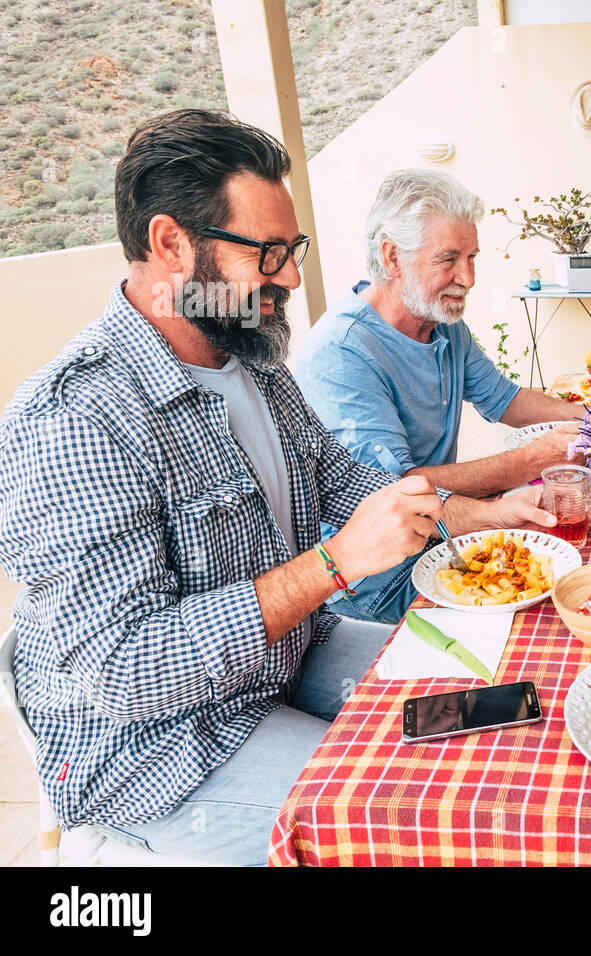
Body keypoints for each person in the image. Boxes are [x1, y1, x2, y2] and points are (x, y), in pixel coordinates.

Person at [0, 110, 551, 866]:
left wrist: (481, 513)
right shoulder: (74, 419)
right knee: (419, 803)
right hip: (160, 750)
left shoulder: (248, 358)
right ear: (170, 245)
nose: (292, 277)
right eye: (268, 253)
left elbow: (342, 479)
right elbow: (124, 671)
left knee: (497, 697)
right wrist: (335, 564)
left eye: (292, 250)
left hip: (288, 652)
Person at [296, 168, 585, 623]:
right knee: (541, 614)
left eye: (472, 257)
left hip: (444, 538)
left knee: (575, 572)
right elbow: (397, 493)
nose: (467, 277)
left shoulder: (444, 322)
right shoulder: (342, 352)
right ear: (392, 257)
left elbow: (504, 398)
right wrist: (529, 463)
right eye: (449, 258)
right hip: (377, 582)